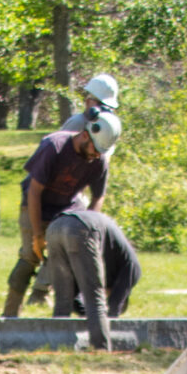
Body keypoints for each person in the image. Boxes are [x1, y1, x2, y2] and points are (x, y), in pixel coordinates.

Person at [4, 111, 122, 318]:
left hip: (67, 210)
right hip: (36, 205)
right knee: (30, 257)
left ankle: (60, 315)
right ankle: (9, 316)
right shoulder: (54, 146)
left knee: (68, 257)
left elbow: (98, 197)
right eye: (95, 149)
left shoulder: (99, 160)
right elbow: (34, 192)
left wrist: (88, 226)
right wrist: (37, 235)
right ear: (85, 135)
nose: (97, 156)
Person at [28, 75, 121, 310]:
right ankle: (41, 290)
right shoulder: (77, 123)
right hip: (60, 192)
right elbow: (61, 160)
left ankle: (66, 294)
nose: (104, 110)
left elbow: (99, 169)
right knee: (52, 242)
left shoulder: (108, 126)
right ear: (89, 101)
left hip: (76, 193)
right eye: (101, 105)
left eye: (108, 107)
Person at [45, 206, 142, 351]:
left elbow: (74, 299)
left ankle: (56, 348)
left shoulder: (111, 255)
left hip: (55, 228)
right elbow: (113, 308)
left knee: (62, 300)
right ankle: (101, 349)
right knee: (96, 300)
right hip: (82, 228)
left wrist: (86, 314)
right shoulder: (131, 269)